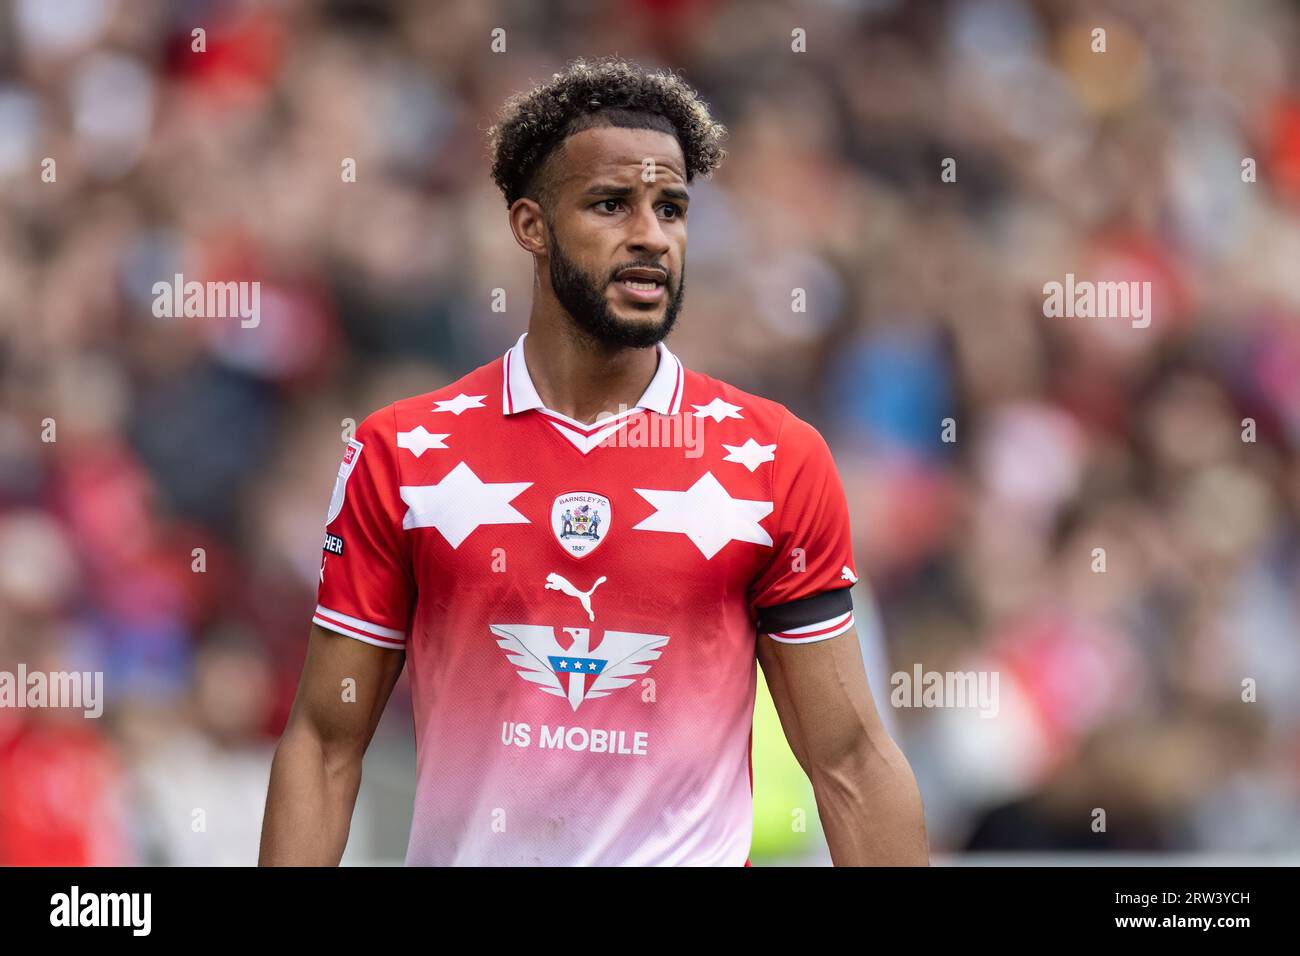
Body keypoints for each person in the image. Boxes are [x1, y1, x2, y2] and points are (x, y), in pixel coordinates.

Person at [259, 56, 928, 866]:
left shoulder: (774, 458)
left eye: (672, 208)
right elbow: (327, 743)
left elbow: (851, 760)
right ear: (531, 227)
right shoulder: (404, 453)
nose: (651, 234)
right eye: (612, 204)